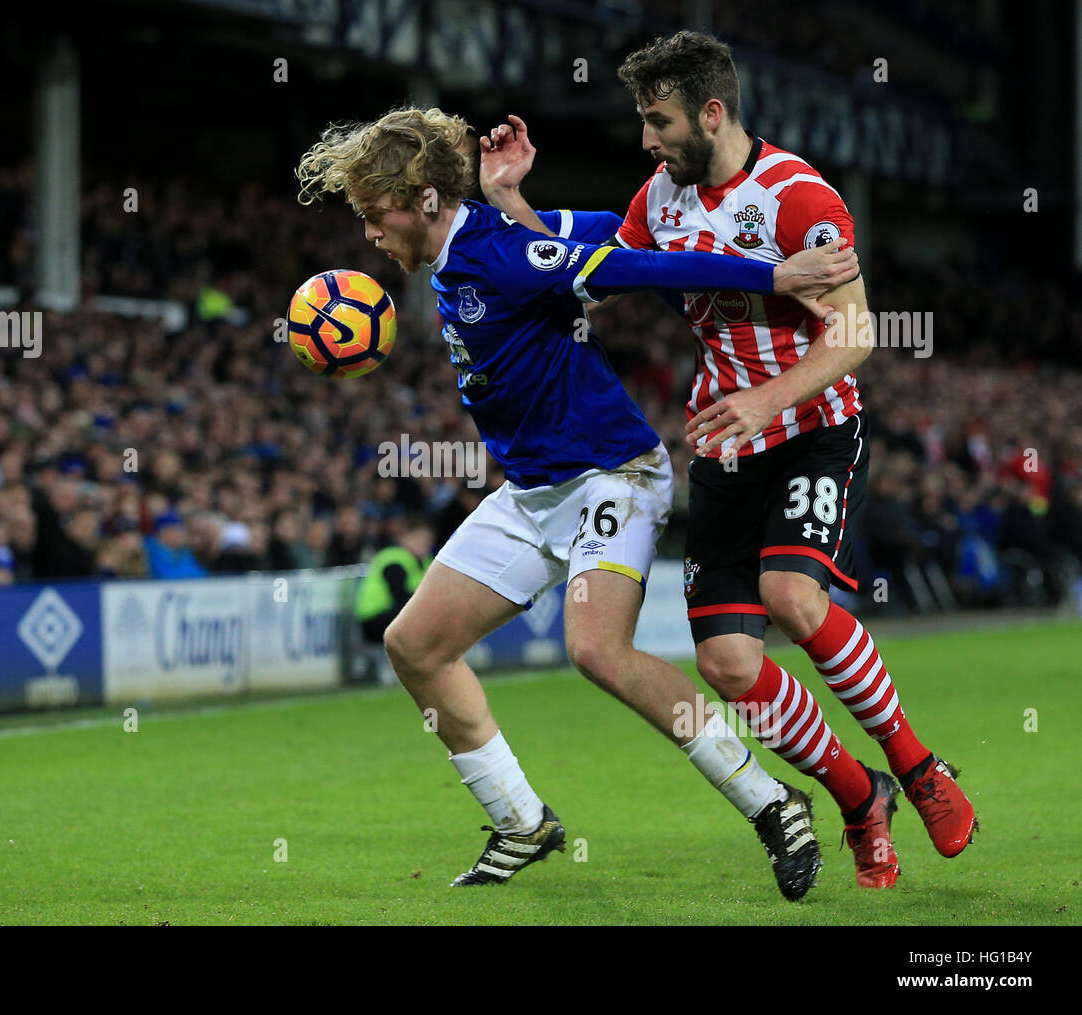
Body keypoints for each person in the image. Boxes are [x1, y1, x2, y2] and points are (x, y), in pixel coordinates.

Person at [295, 105, 857, 897]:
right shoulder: (471, 251)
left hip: (611, 476)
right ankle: (521, 822)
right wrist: (514, 193)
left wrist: (775, 275)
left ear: (421, 198)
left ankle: (772, 803)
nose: (367, 233)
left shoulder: (499, 256)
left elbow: (629, 267)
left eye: (372, 211)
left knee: (598, 650)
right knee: (413, 644)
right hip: (531, 492)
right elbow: (604, 233)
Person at [481, 31, 975, 889]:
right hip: (728, 442)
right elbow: (589, 269)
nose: (647, 140)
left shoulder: (798, 195)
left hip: (815, 425)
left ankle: (920, 764)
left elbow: (856, 333)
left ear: (712, 113)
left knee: (791, 595)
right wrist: (512, 203)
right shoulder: (658, 199)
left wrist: (767, 398)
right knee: (727, 666)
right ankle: (862, 796)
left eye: (658, 120)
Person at [354, 515, 435, 685]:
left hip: (393, 616)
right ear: (404, 537)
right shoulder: (393, 558)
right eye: (419, 538)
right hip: (375, 618)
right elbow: (399, 594)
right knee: (418, 609)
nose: (424, 544)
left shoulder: (426, 561)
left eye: (427, 539)